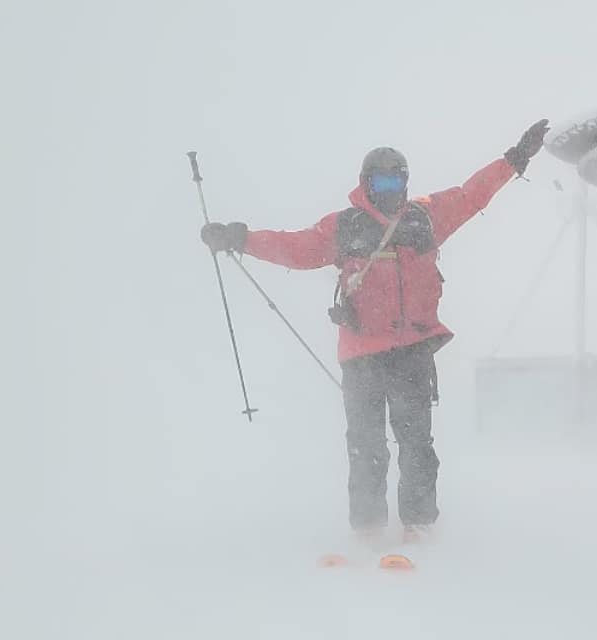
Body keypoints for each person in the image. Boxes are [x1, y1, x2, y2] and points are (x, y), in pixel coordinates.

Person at [200, 119, 550, 544]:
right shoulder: (344, 227)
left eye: (395, 179)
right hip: (362, 352)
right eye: (380, 180)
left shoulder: (427, 217)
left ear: (405, 181)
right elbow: (294, 246)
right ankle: (367, 529)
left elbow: (471, 195)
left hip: (412, 349)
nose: (389, 188)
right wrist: (240, 238)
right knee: (366, 445)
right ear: (366, 184)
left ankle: (418, 527)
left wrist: (514, 160)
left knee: (416, 441)